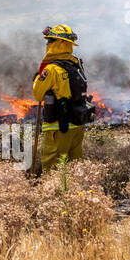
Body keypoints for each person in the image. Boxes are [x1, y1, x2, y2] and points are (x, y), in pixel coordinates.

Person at [32, 24, 95, 172]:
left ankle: (55, 196)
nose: (47, 44)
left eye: (50, 41)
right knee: (75, 170)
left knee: (53, 171)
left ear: (59, 43)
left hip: (58, 128)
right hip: (77, 126)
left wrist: (37, 79)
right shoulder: (75, 64)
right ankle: (75, 195)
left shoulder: (52, 69)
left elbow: (38, 94)